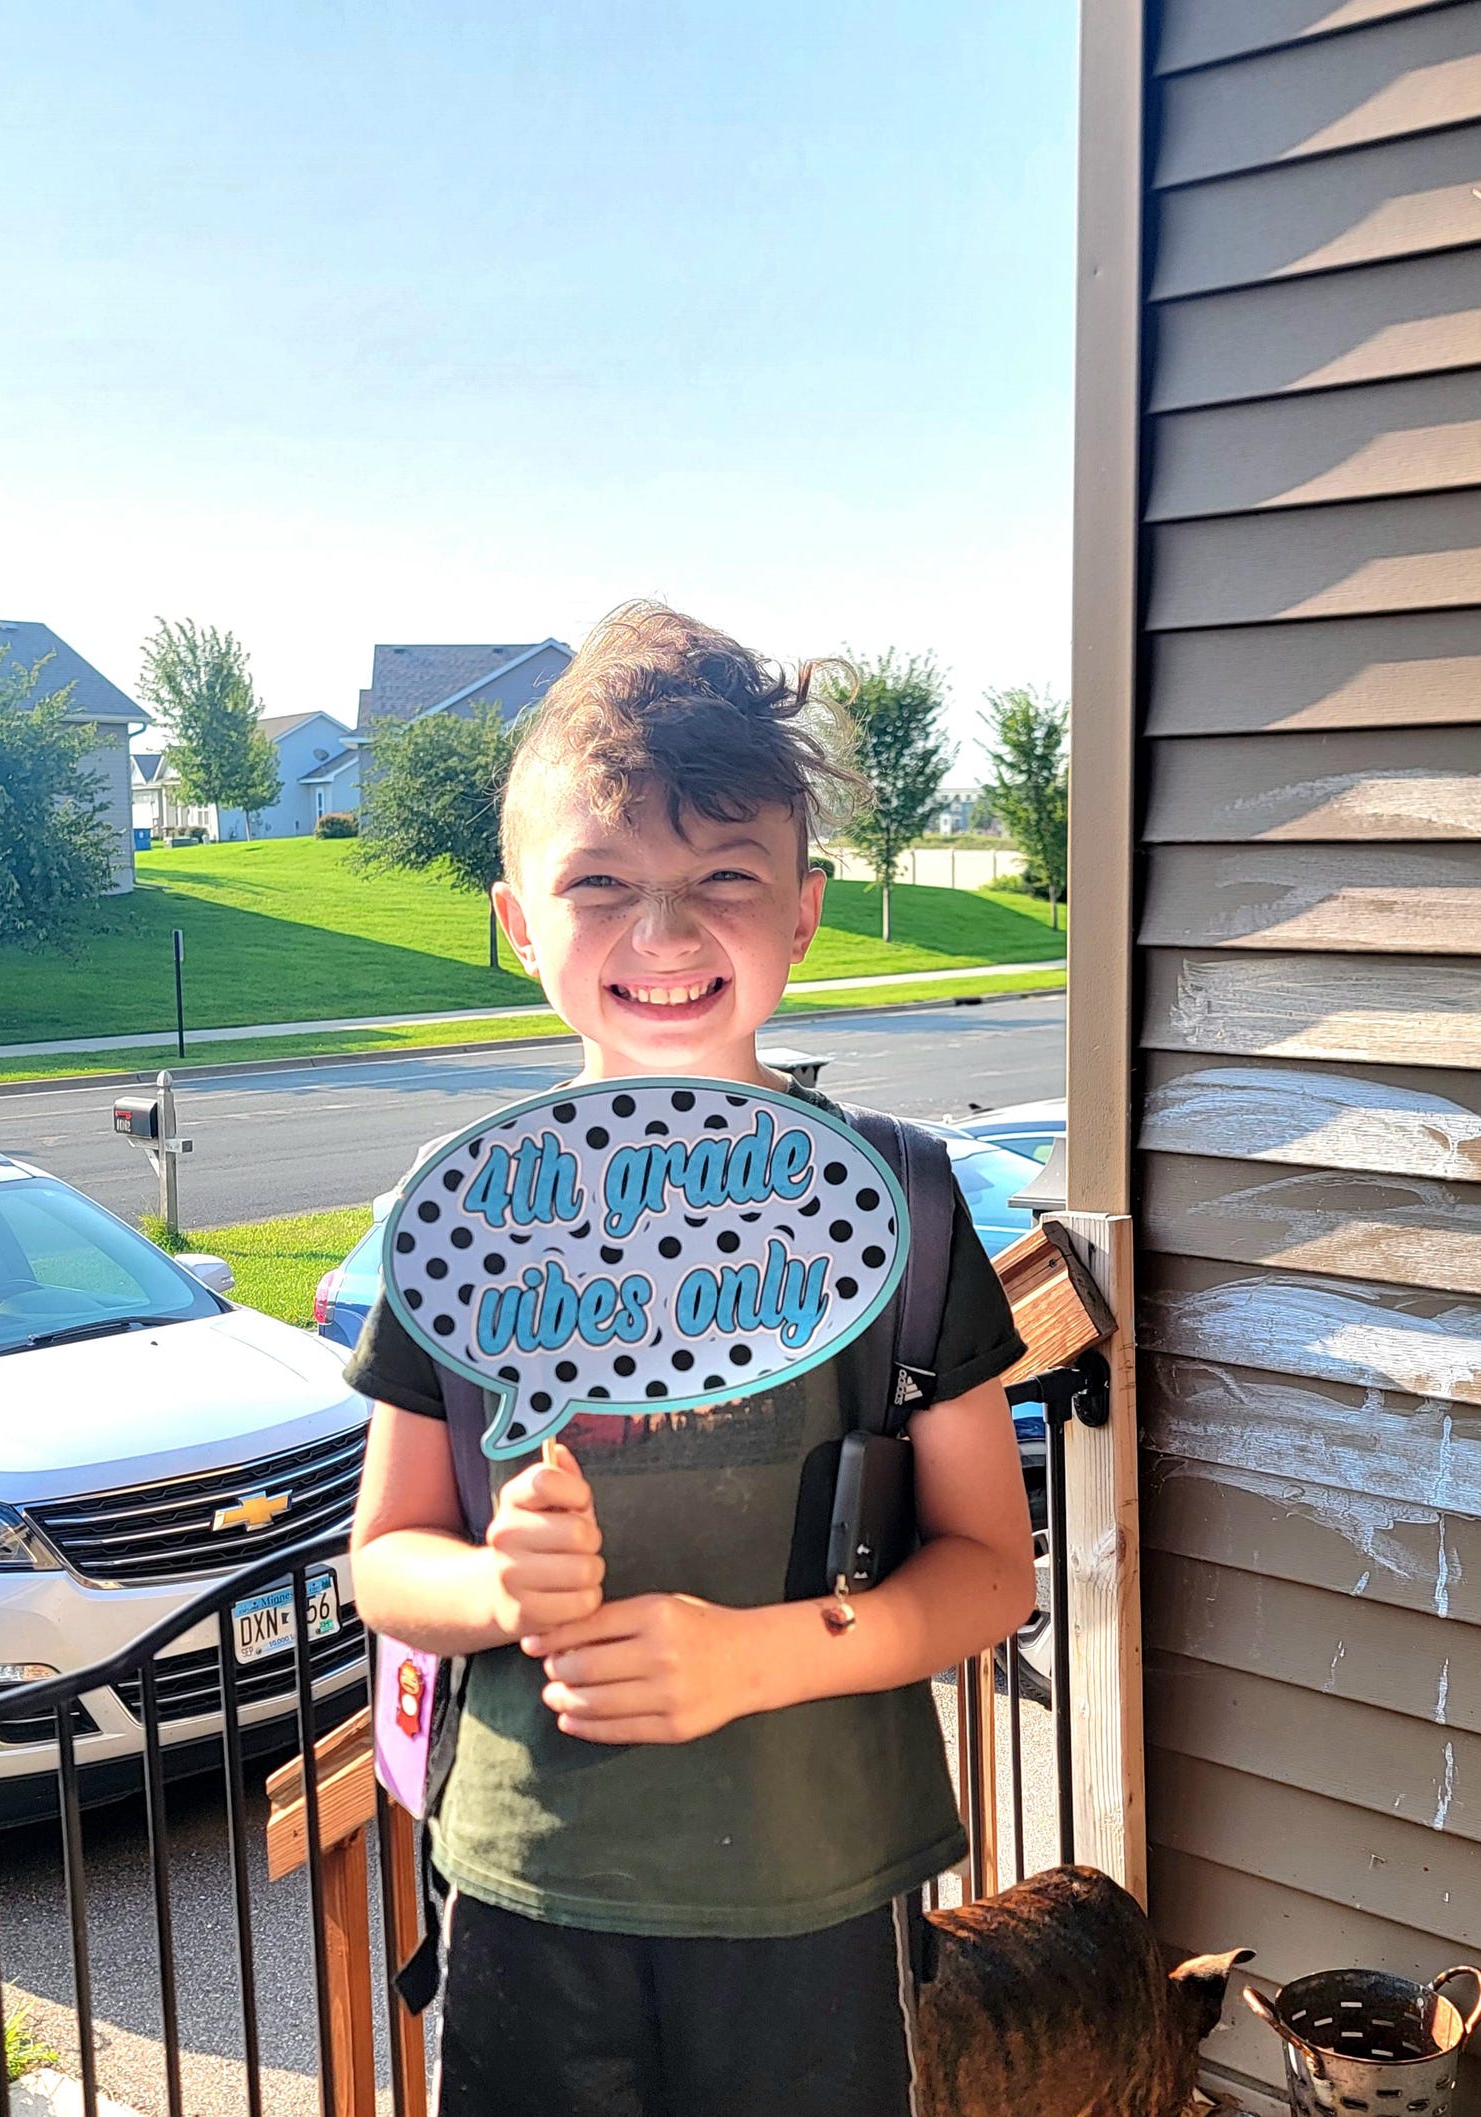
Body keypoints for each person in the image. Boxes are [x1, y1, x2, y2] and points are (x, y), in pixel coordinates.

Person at [346, 603, 1036, 2117]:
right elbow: (386, 1556)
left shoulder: (904, 1207)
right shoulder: (463, 1211)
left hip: (814, 1898)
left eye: (723, 879)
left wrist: (752, 1658)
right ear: (518, 922)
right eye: (600, 887)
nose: (663, 939)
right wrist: (491, 1586)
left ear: (803, 908)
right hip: (531, 1890)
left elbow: (994, 1565)